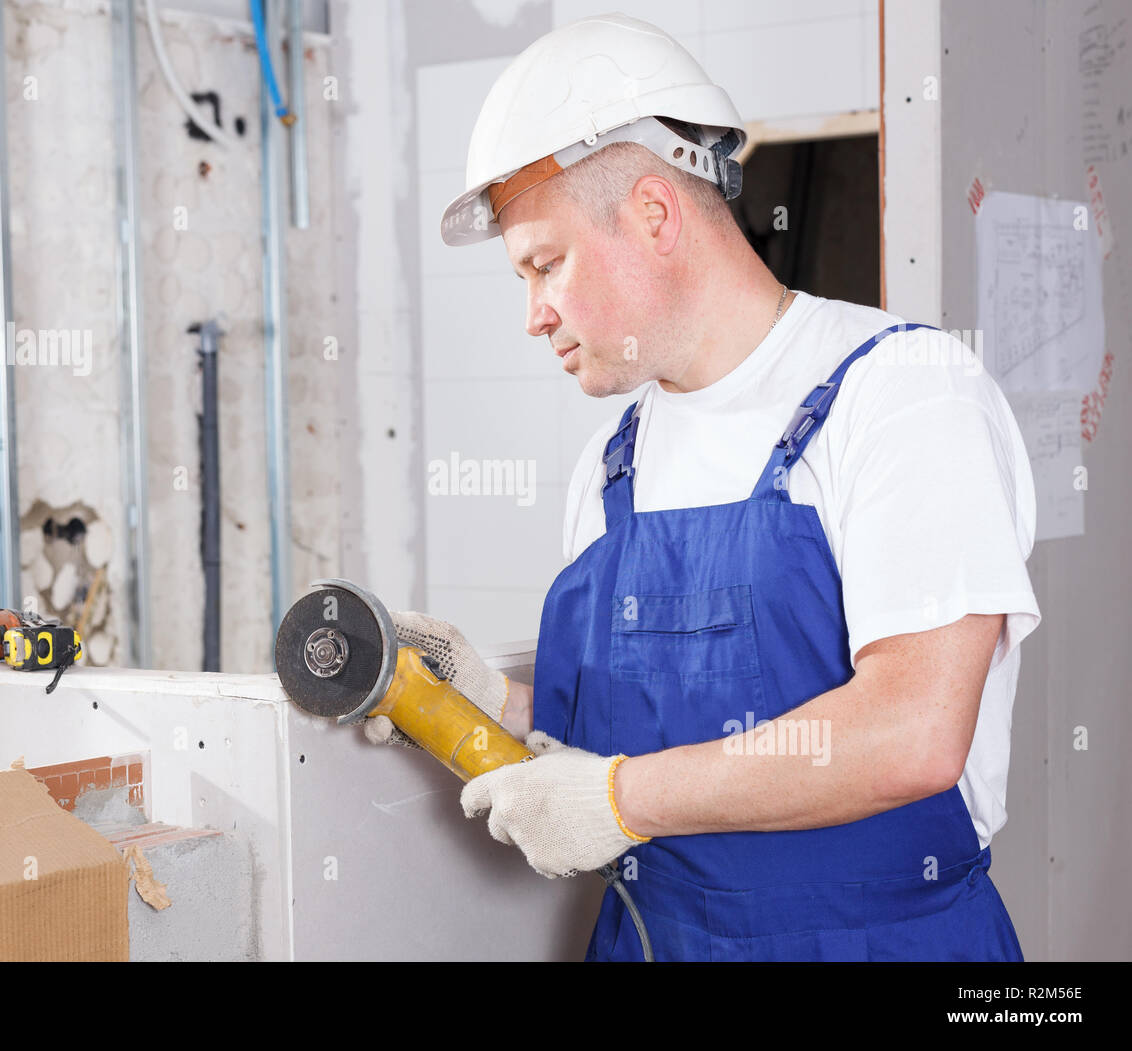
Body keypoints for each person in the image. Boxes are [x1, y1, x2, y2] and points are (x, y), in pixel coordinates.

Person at [368, 12, 1041, 961]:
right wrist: (491, 699)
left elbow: (913, 728)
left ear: (654, 212)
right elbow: (633, 733)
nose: (534, 314)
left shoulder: (900, 394)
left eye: (546, 264)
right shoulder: (614, 464)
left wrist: (618, 801)